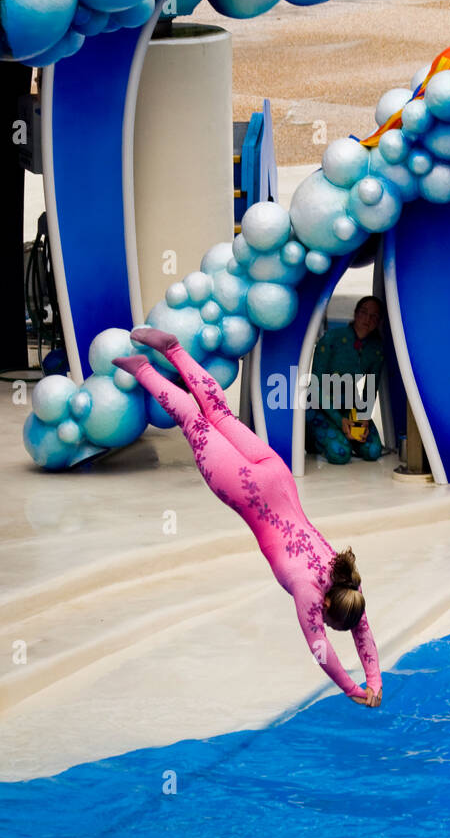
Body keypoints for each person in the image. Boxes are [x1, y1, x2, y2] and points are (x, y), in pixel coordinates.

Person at [113, 327, 383, 707]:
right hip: (245, 490)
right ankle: (143, 369)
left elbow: (362, 626)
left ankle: (173, 348)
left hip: (276, 475)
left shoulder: (344, 575)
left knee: (218, 412)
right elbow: (320, 648)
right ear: (325, 608)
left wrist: (376, 679)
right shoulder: (309, 591)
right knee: (193, 420)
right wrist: (353, 689)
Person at [306, 295, 385, 465]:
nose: (368, 319)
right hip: (320, 406)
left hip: (350, 406)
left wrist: (364, 418)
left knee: (373, 451)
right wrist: (339, 421)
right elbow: (315, 386)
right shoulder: (331, 339)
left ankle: (344, 436)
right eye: (364, 312)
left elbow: (370, 390)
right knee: (340, 454)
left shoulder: (376, 349)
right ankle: (313, 438)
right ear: (355, 314)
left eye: (374, 316)